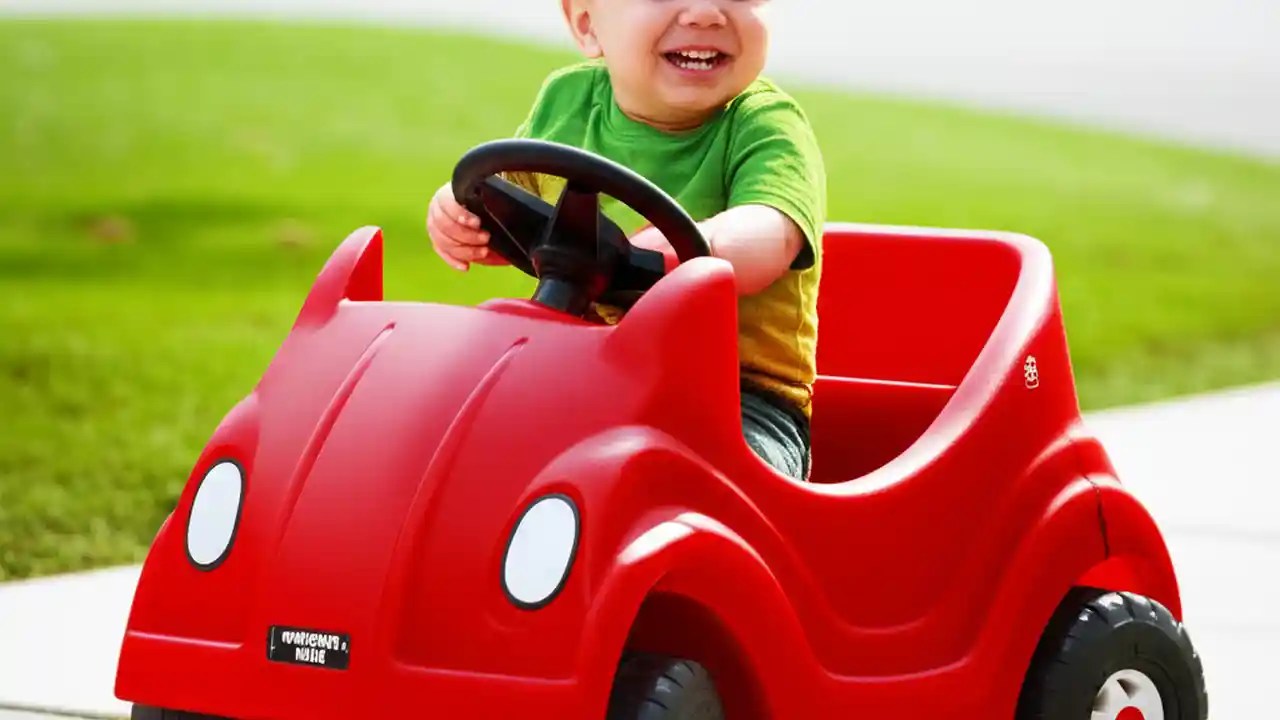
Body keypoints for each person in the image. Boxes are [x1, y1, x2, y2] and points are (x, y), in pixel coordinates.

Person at [427, 0, 826, 480]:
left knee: (689, 481)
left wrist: (687, 248)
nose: (704, 14)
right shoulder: (567, 100)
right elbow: (508, 203)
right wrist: (464, 217)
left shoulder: (766, 124)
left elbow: (768, 236)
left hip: (737, 400)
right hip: (581, 372)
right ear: (587, 24)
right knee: (459, 424)